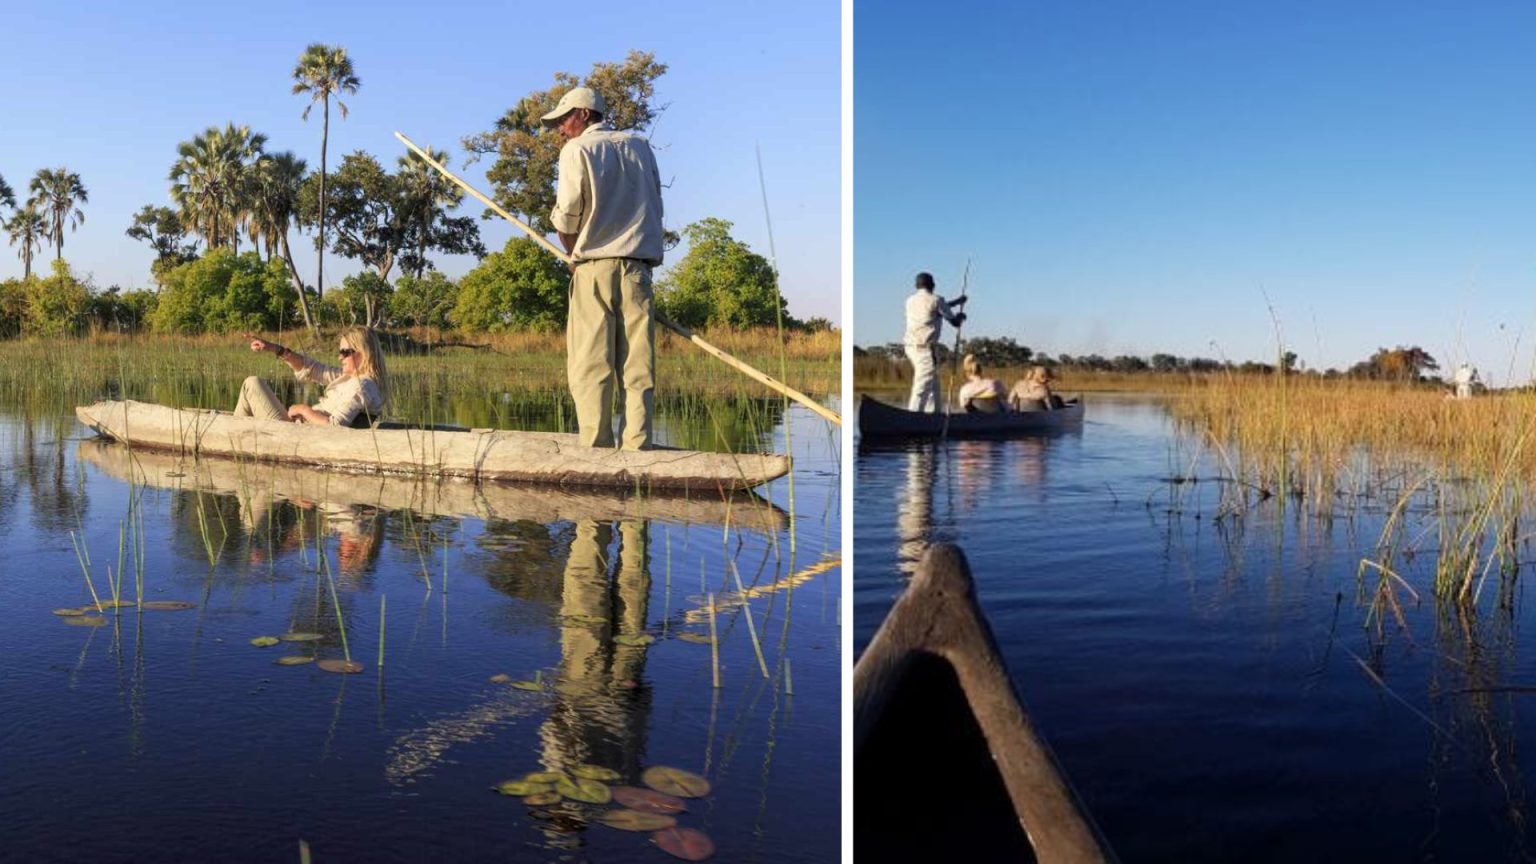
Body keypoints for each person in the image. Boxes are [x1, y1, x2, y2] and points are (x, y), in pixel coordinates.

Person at [543, 86, 665, 450]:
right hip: (638, 272)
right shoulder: (641, 146)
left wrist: (573, 256)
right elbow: (656, 202)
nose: (561, 128)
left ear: (583, 114)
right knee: (637, 366)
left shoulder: (577, 150)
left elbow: (566, 218)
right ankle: (637, 447)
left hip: (594, 268)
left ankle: (595, 450)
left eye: (564, 119)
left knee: (591, 365)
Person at [239, 325, 387, 427]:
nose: (340, 357)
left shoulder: (362, 385)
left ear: (363, 353)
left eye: (344, 352)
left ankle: (229, 435)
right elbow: (312, 369)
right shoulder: (349, 378)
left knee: (252, 384)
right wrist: (274, 348)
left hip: (293, 434)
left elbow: (335, 426)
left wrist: (303, 409)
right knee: (251, 388)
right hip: (298, 427)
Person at [903, 272, 967, 412]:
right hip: (924, 350)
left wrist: (956, 302)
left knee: (932, 386)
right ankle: (913, 418)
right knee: (921, 387)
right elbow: (954, 322)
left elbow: (936, 309)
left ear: (917, 286)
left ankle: (934, 416)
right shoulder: (937, 300)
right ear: (932, 285)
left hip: (910, 348)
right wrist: (961, 316)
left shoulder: (909, 301)